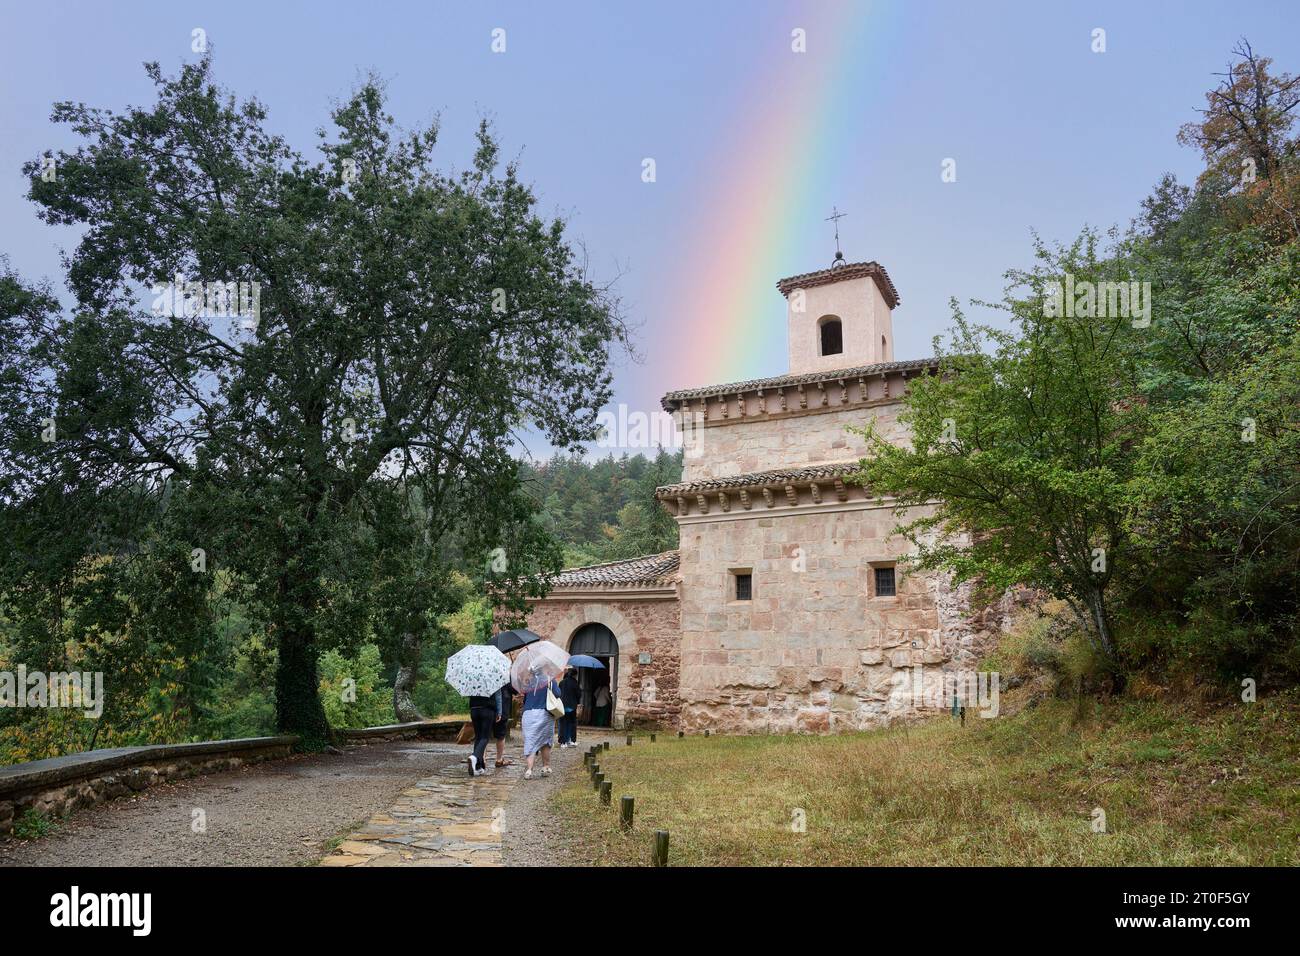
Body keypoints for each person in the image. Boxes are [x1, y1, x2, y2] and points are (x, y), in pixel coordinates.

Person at [521, 673, 560, 779]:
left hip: (528, 714)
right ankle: (545, 767)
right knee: (545, 741)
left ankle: (529, 770)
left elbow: (525, 700)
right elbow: (557, 693)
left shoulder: (529, 681)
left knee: (530, 741)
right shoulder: (549, 679)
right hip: (544, 713)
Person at [467, 681, 506, 777]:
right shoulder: (493, 676)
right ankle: (474, 756)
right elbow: (498, 696)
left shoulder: (472, 676)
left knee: (478, 737)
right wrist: (499, 712)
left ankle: (478, 767)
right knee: (485, 737)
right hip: (487, 709)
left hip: (474, 709)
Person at [492, 680, 515, 768]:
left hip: (489, 708)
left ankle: (482, 759)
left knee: (484, 736)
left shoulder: (487, 674)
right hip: (503, 708)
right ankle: (499, 759)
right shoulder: (504, 676)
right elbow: (514, 690)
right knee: (501, 736)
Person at [558, 667, 581, 747]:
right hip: (572, 706)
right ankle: (572, 740)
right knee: (572, 723)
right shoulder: (575, 683)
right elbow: (579, 695)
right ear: (574, 675)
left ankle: (562, 742)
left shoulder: (561, 682)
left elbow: (558, 693)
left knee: (563, 724)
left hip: (562, 706)